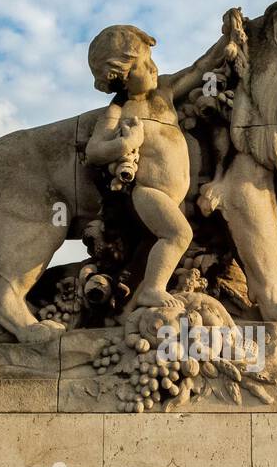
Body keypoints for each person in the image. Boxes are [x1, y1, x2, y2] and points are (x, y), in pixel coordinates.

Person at [85, 22, 231, 309]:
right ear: (121, 76)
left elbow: (198, 69)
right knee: (178, 235)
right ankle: (153, 289)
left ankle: (138, 296)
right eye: (144, 64)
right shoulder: (118, 110)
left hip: (176, 198)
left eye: (152, 61)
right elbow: (94, 151)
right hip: (148, 192)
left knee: (169, 241)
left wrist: (225, 40)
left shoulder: (163, 91)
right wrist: (126, 144)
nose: (153, 68)